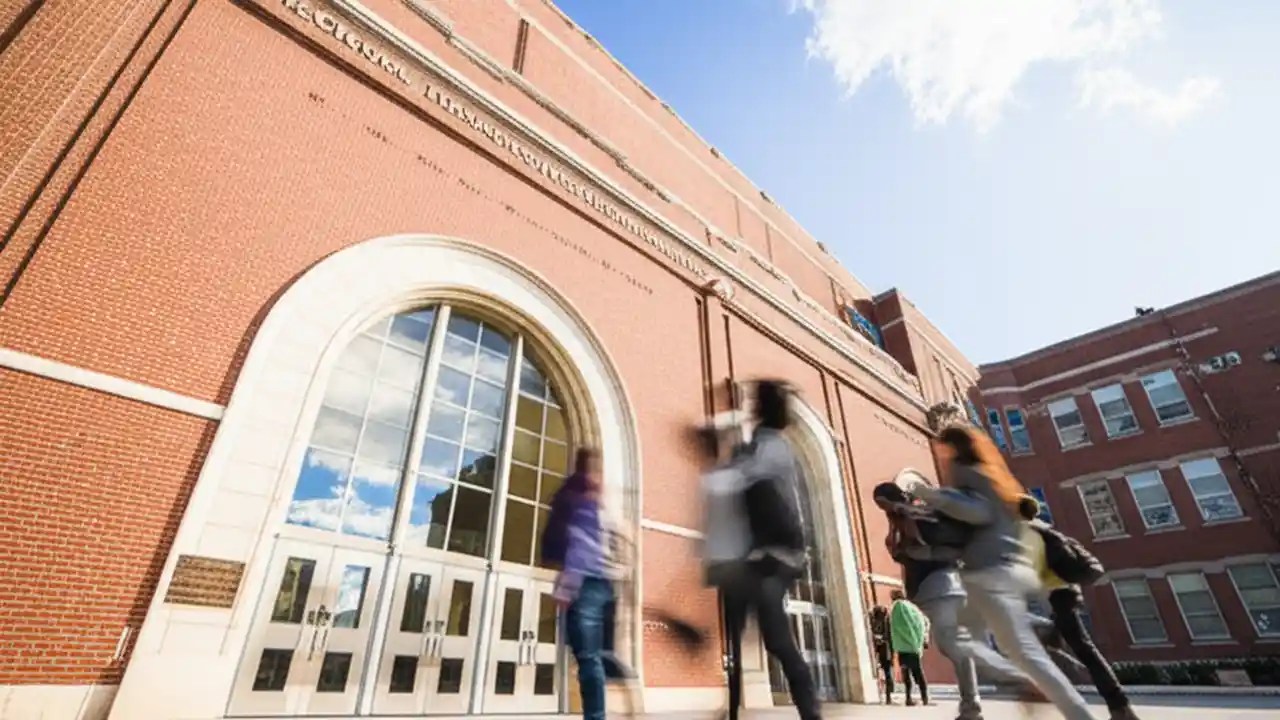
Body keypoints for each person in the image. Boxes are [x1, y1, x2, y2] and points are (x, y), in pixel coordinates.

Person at [915, 426, 1093, 720]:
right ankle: (1036, 634)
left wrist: (932, 496)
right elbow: (980, 527)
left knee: (1024, 654)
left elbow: (978, 512)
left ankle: (1071, 709)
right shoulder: (996, 474)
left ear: (951, 447)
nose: (939, 455)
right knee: (955, 635)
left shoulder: (965, 470)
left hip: (989, 574)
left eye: (941, 449)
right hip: (1005, 570)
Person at [713, 380, 822, 720]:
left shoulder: (770, 442)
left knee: (774, 640)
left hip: (769, 556)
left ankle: (811, 714)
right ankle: (733, 712)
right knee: (737, 633)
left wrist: (726, 456)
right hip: (760, 556)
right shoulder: (768, 441)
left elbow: (747, 480)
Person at [874, 481, 1000, 719]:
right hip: (930, 591)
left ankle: (973, 706)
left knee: (952, 643)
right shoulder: (899, 525)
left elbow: (956, 548)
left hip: (942, 585)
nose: (883, 509)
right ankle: (971, 707)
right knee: (951, 644)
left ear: (895, 498)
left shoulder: (922, 517)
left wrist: (924, 553)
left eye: (883, 503)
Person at [1019, 496, 1139, 720]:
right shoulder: (1044, 530)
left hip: (1059, 597)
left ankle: (1120, 707)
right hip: (1065, 595)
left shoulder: (1027, 533)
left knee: (1085, 651)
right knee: (1060, 642)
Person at [545, 448, 633, 720]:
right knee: (593, 653)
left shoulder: (579, 499)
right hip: (603, 585)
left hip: (588, 584)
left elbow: (580, 548)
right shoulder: (592, 501)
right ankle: (609, 664)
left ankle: (596, 715)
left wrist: (567, 585)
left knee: (587, 657)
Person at [889, 590, 931, 706]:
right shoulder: (912, 607)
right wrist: (921, 639)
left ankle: (908, 698)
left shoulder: (898, 606)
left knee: (906, 674)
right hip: (913, 647)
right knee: (918, 673)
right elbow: (924, 621)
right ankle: (924, 698)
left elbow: (899, 626)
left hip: (903, 647)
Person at [869, 605, 896, 705]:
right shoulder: (884, 620)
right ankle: (886, 696)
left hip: (884, 649)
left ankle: (887, 695)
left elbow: (889, 635)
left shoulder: (882, 621)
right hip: (882, 649)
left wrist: (880, 639)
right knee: (886, 672)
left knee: (886, 672)